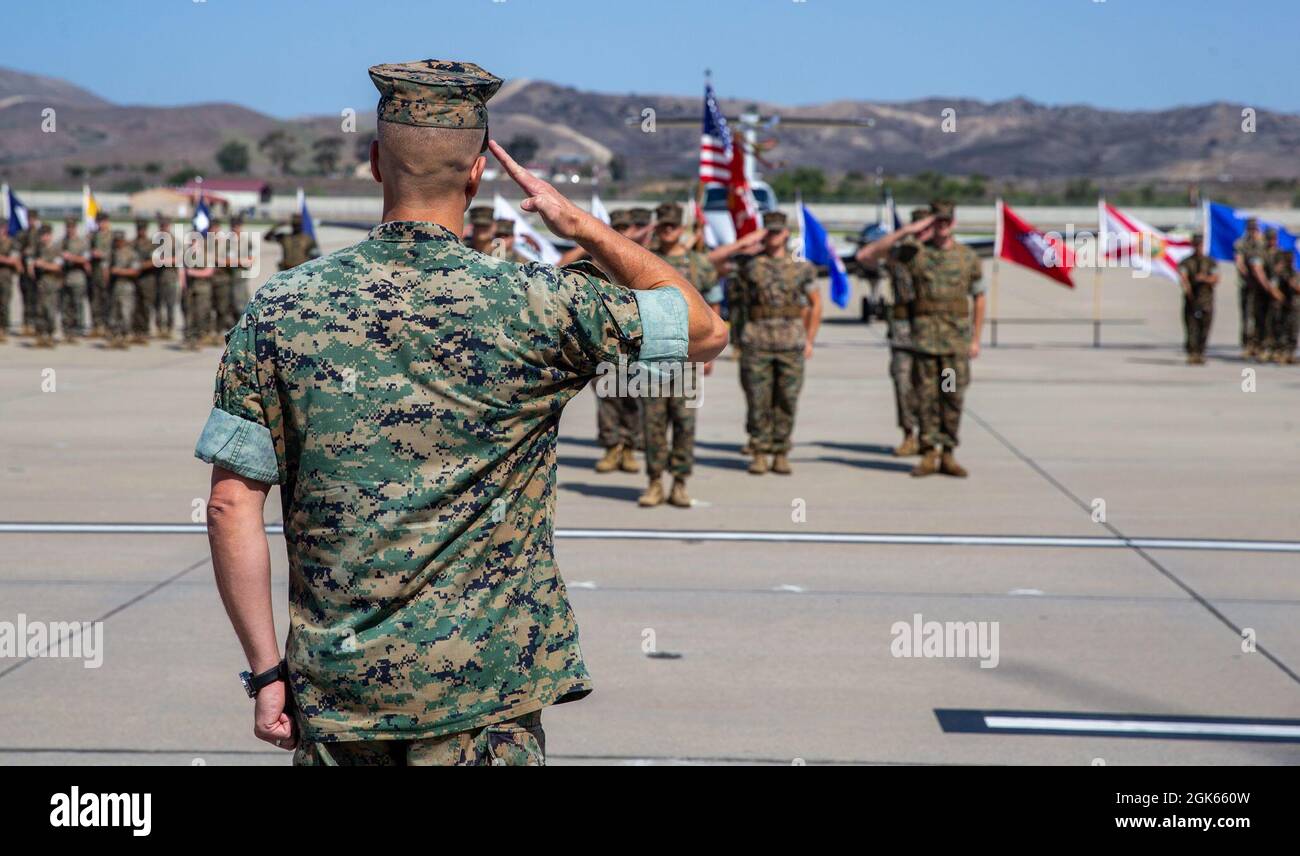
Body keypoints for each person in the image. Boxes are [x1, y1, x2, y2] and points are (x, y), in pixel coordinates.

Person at [195, 58, 726, 767]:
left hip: (339, 690)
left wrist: (266, 674)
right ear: (478, 174)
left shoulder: (281, 306)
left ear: (375, 160)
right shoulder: (538, 303)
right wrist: (579, 224)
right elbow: (704, 329)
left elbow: (231, 506)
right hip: (486, 691)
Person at [858, 200, 985, 478]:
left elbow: (979, 297)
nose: (941, 227)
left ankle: (948, 452)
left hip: (953, 346)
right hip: (924, 345)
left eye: (946, 221)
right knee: (926, 398)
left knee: (950, 396)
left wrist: (975, 339)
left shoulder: (967, 258)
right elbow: (868, 254)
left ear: (953, 223)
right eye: (936, 222)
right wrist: (910, 230)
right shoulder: (916, 255)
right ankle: (928, 453)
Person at [637, 202, 724, 508]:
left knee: (685, 423)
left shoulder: (698, 264)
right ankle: (655, 482)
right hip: (653, 355)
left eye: (673, 226)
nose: (668, 230)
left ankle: (680, 482)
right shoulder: (644, 261)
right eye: (663, 226)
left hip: (689, 355)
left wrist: (711, 349)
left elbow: (714, 305)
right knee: (653, 423)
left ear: (682, 228)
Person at [731, 211, 821, 475]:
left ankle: (781, 451)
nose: (773, 236)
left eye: (777, 231)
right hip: (756, 341)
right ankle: (759, 450)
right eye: (768, 231)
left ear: (787, 234)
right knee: (757, 400)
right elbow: (736, 301)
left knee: (787, 400)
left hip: (791, 342)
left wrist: (810, 339)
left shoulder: (803, 268)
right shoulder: (750, 266)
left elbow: (816, 304)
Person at [884, 208, 931, 454]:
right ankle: (909, 434)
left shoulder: (942, 255)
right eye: (918, 227)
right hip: (903, 332)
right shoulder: (898, 255)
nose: (921, 233)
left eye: (926, 227)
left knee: (943, 387)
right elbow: (867, 254)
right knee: (903, 384)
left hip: (937, 334)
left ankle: (932, 436)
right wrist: (902, 233)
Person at [1177, 235, 1218, 365]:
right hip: (1191, 300)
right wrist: (1187, 288)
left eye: (1200, 245)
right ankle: (1192, 353)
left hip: (1206, 300)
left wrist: (1204, 279)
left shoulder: (1210, 261)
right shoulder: (1186, 262)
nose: (1198, 247)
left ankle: (1201, 352)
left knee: (1204, 328)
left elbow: (1216, 278)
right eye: (1196, 245)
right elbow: (1182, 276)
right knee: (1191, 328)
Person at [1233, 218, 1269, 360]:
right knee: (1247, 317)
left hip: (1263, 288)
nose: (1253, 231)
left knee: (1263, 317)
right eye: (1251, 228)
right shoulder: (1241, 244)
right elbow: (1239, 262)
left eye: (1255, 228)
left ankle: (1261, 345)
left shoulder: (1264, 244)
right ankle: (1248, 346)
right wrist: (1248, 276)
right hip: (1248, 286)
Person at [30, 224, 64, 348]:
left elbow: (58, 266)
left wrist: (43, 264)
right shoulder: (39, 249)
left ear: (50, 235)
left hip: (52, 284)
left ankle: (51, 334)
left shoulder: (56, 249)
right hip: (41, 284)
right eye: (42, 235)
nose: (43, 238)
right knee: (40, 310)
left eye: (46, 235)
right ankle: (41, 335)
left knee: (50, 310)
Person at [106, 230, 142, 350]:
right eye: (116, 241)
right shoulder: (112, 253)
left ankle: (125, 336)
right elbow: (106, 269)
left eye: (120, 240)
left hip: (127, 286)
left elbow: (135, 271)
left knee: (126, 313)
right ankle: (115, 337)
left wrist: (119, 271)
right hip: (115, 286)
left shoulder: (131, 254)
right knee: (113, 314)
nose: (118, 243)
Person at [1265, 235, 1297, 364]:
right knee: (1279, 328)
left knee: (1292, 330)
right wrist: (1280, 298)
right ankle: (1279, 351)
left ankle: (1290, 353)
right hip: (1281, 305)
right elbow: (1273, 286)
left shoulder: (1295, 273)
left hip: (1293, 305)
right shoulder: (1279, 274)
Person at [60, 215, 91, 343]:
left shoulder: (82, 242)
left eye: (72, 227)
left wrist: (71, 257)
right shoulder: (62, 242)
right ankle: (67, 328)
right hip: (65, 278)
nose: (70, 229)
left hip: (78, 278)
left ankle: (79, 327)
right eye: (68, 227)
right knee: (66, 305)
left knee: (78, 303)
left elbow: (85, 259)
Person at [17, 208, 43, 336]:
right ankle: (26, 324)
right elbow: (16, 251)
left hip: (38, 272)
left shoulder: (41, 234)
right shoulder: (22, 234)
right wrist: (20, 263)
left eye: (33, 219)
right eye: (29, 219)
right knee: (26, 297)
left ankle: (35, 324)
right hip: (25, 272)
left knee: (37, 298)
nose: (31, 221)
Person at [89, 211, 113, 337]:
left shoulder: (112, 237)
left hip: (107, 272)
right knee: (95, 299)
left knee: (106, 299)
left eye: (103, 221)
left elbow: (116, 253)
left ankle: (106, 325)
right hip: (95, 271)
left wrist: (102, 254)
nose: (101, 224)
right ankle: (96, 325)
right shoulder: (92, 236)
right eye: (99, 222)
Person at [155, 216, 180, 338]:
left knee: (170, 304)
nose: (163, 228)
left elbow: (180, 258)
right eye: (161, 226)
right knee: (158, 305)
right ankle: (160, 328)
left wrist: (166, 261)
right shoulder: (155, 241)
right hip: (157, 278)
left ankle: (170, 328)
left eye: (165, 226)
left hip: (170, 277)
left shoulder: (175, 242)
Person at [0, 230, 20, 342]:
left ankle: (4, 327)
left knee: (4, 303)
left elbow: (14, 260)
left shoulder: (11, 243)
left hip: (6, 277)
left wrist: (3, 259)